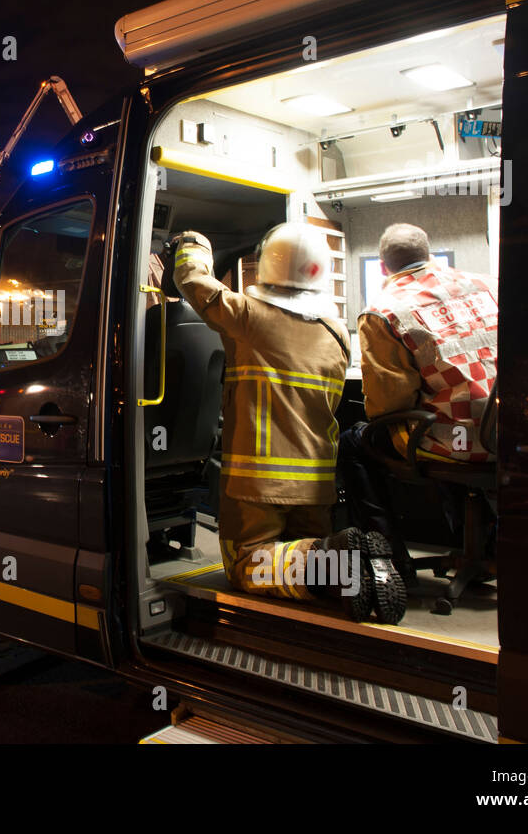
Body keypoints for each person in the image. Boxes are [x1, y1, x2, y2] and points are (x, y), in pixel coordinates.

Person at [170, 223, 406, 624]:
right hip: (316, 485)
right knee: (298, 549)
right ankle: (337, 562)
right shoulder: (336, 333)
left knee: (247, 564)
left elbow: (192, 280)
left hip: (257, 483)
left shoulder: (248, 317)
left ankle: (332, 563)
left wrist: (191, 244)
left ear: (267, 269)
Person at [342, 223, 499, 573]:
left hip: (456, 444)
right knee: (443, 424)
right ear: (429, 253)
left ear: (383, 267)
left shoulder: (383, 311)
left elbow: (388, 405)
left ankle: (391, 563)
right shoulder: (490, 285)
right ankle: (484, 551)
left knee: (356, 442)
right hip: (507, 433)